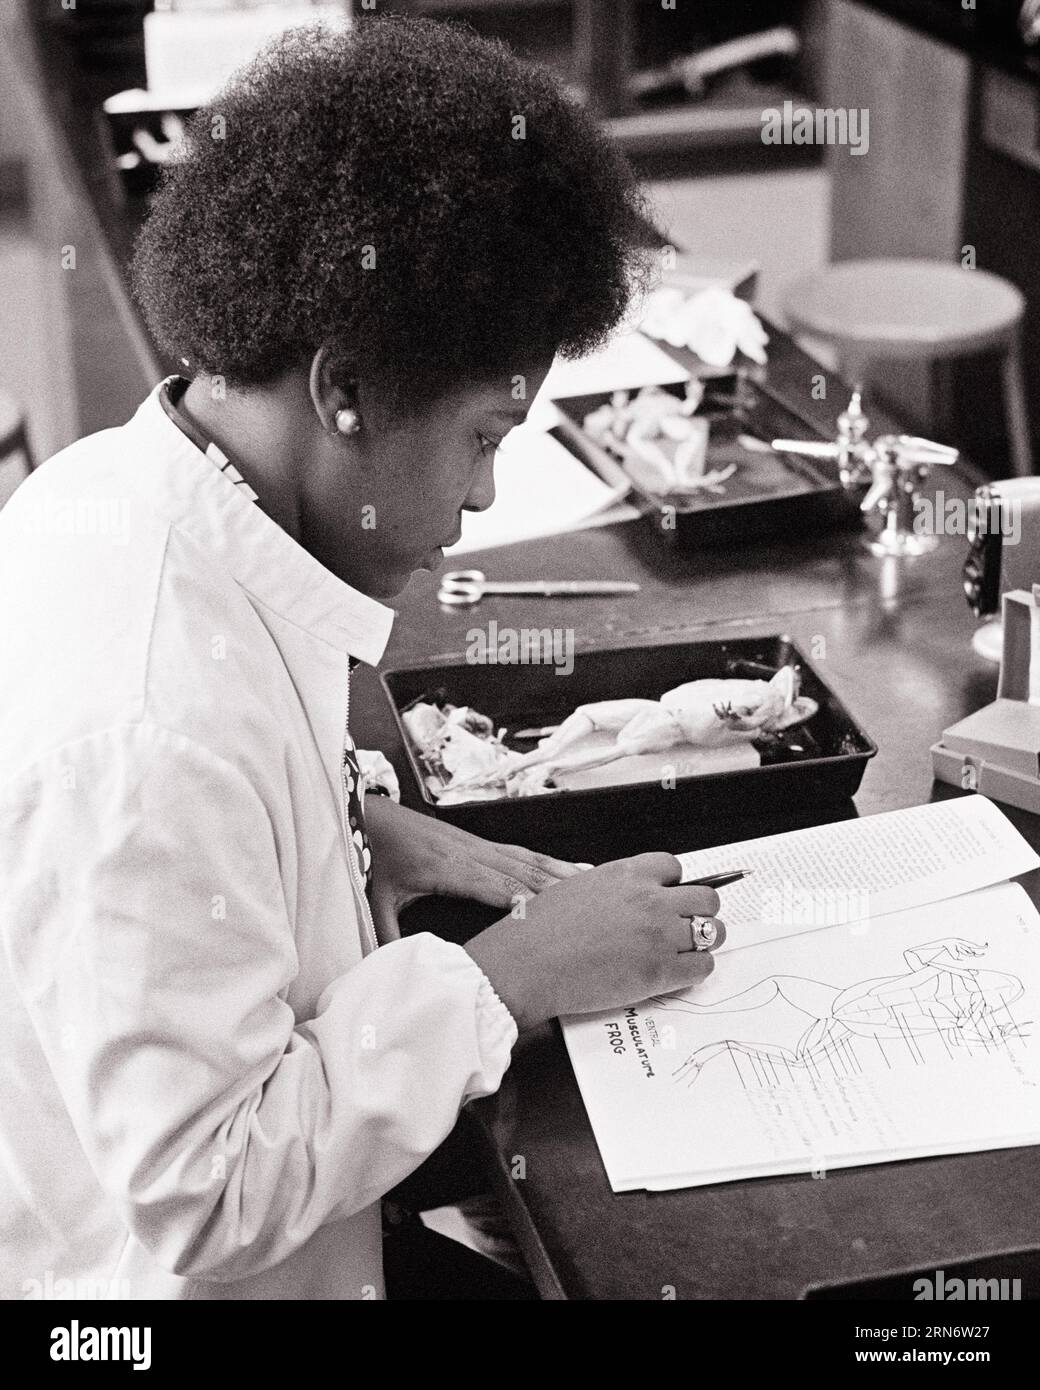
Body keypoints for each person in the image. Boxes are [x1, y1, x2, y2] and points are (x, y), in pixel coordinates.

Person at [0, 17, 723, 1301]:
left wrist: (363, 827)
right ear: (345, 391)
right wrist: (508, 979)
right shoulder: (157, 723)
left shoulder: (112, 485)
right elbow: (207, 1193)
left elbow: (200, 858)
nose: (488, 495)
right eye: (485, 435)